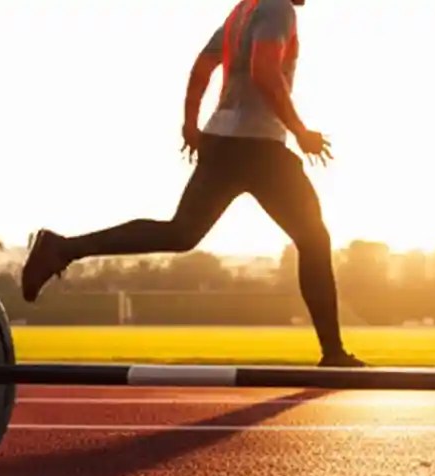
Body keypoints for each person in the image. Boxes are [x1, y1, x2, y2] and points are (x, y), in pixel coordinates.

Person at [20, 0, 364, 367]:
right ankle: (333, 353)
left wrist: (191, 123)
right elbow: (264, 70)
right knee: (314, 239)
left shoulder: (243, 12)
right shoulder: (278, 8)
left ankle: (62, 248)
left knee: (180, 233)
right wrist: (300, 131)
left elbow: (202, 66)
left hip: (221, 140)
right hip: (258, 146)